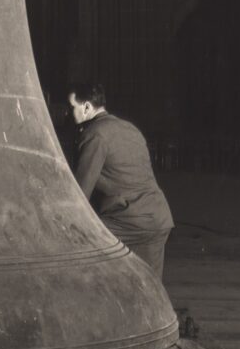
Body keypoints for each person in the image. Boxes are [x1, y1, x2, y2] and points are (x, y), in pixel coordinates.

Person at [67, 80, 174, 282]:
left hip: (129, 221)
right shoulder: (129, 128)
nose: (69, 114)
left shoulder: (94, 134)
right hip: (158, 218)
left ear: (87, 107)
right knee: (151, 290)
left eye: (72, 107)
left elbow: (80, 193)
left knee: (80, 243)